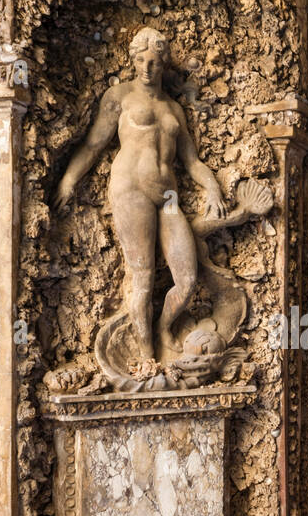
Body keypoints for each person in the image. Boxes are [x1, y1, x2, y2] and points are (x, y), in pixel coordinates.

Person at [54, 27, 226, 363]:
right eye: (141, 60)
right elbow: (93, 144)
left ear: (163, 64)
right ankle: (147, 355)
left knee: (187, 279)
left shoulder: (174, 109)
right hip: (130, 188)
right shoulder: (119, 96)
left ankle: (163, 327)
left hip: (168, 196)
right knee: (143, 276)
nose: (147, 67)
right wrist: (68, 180)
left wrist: (213, 187)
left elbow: (191, 161)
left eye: (154, 61)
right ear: (134, 61)